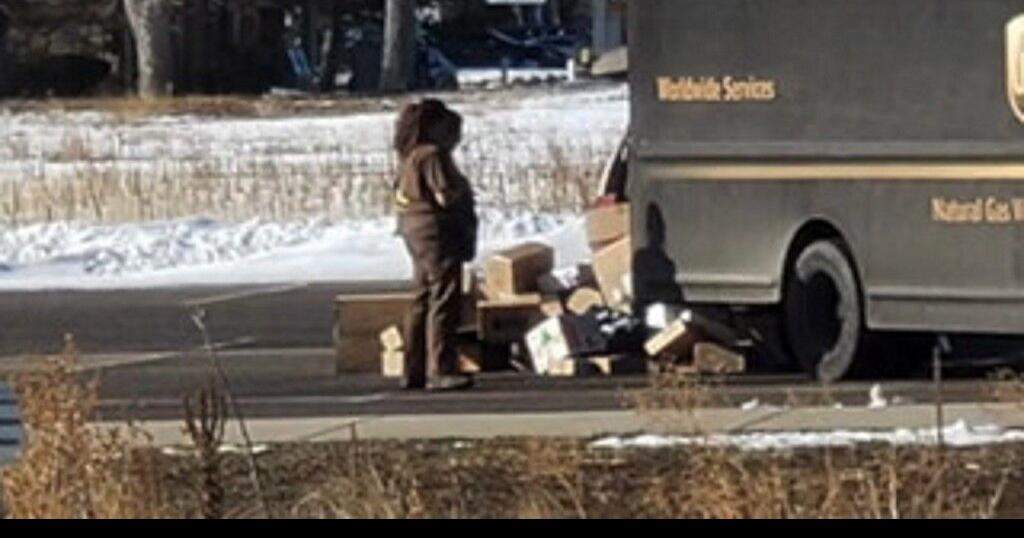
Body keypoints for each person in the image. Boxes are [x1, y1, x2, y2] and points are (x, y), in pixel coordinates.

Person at [393, 99, 478, 391]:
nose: (456, 140)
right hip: (436, 230)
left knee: (422, 297)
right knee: (444, 296)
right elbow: (444, 195)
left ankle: (413, 369)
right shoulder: (432, 155)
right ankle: (441, 368)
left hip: (413, 229)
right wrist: (462, 194)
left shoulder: (410, 156)